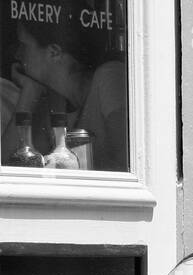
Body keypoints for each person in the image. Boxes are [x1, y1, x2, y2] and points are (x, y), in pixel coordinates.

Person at [5, 11, 128, 171]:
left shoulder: (109, 77)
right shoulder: (51, 103)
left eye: (24, 45)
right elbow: (9, 165)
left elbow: (131, 163)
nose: (18, 54)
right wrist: (29, 92)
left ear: (54, 52)